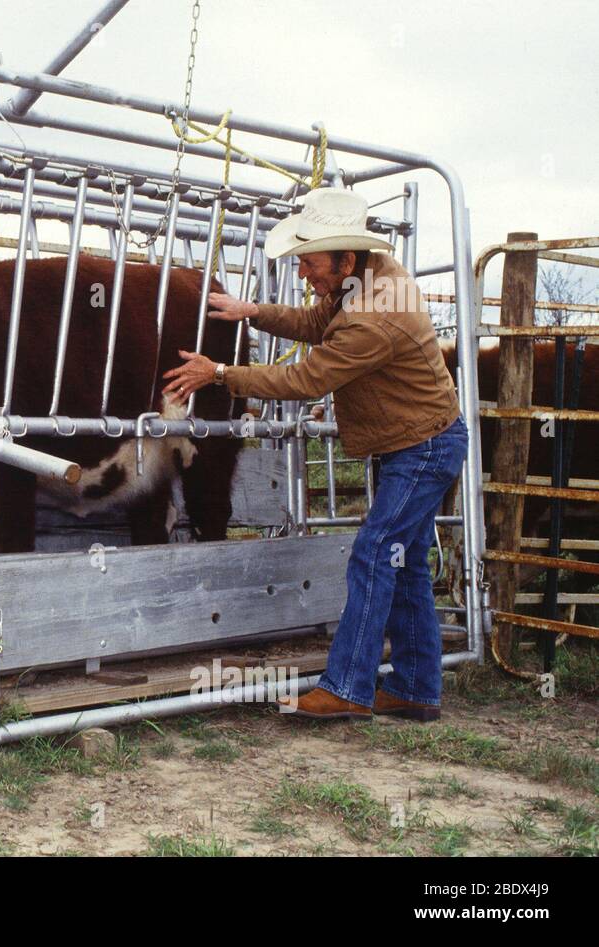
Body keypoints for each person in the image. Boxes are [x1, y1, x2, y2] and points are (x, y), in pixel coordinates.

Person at [162, 187, 467, 722]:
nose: (303, 274)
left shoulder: (374, 315)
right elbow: (312, 322)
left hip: (423, 447)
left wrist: (219, 374)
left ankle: (347, 687)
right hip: (415, 442)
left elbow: (307, 377)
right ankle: (417, 690)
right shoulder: (365, 278)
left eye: (309, 263)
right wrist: (252, 311)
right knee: (406, 563)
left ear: (345, 257)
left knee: (375, 555)